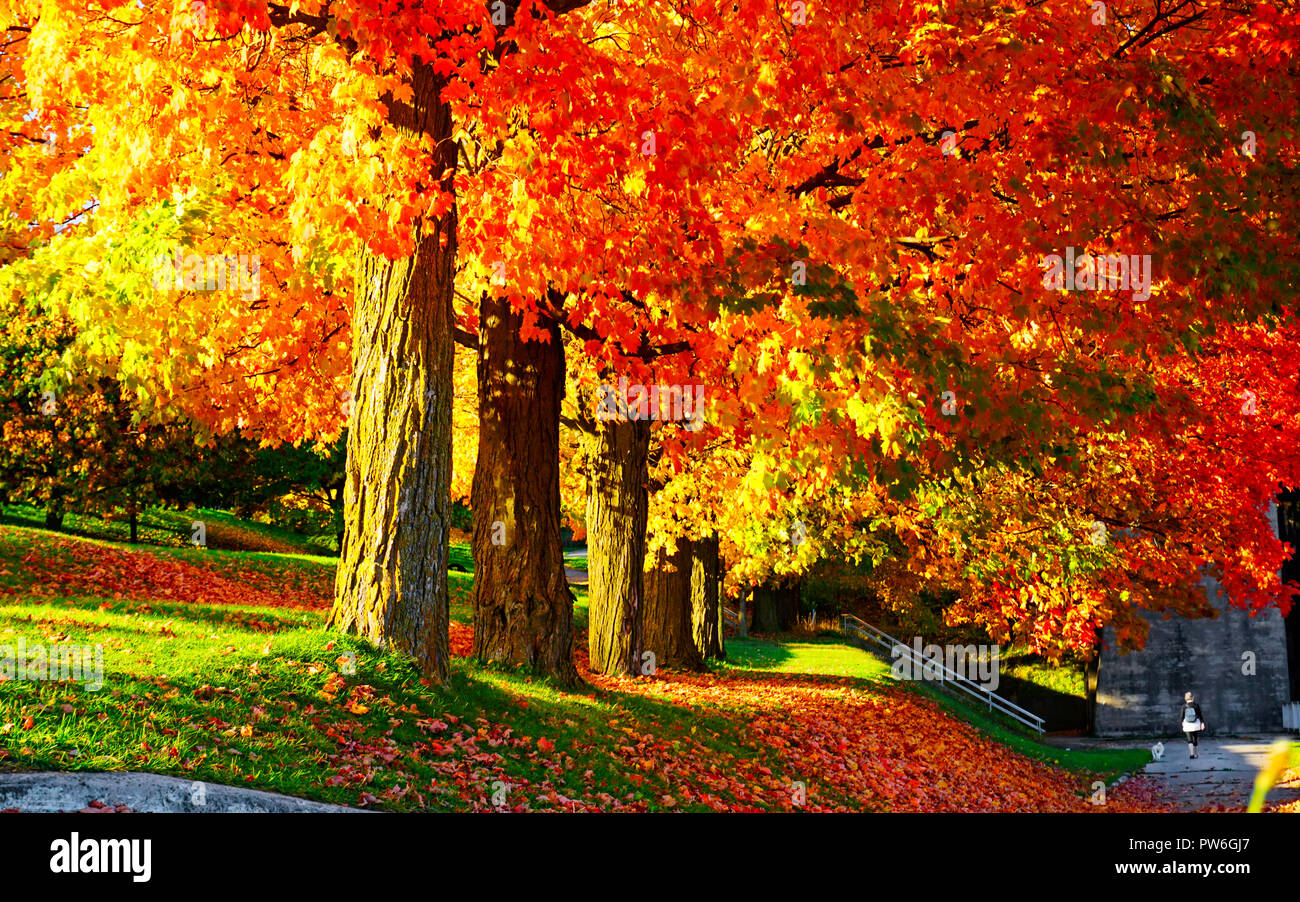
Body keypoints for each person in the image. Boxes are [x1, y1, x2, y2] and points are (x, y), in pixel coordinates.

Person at [1181, 691, 1206, 759]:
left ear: (1185, 698)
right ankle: (1195, 754)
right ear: (1192, 697)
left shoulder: (1184, 706)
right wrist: (1202, 723)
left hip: (1187, 724)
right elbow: (1200, 715)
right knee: (1195, 739)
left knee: (1189, 740)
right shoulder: (1196, 705)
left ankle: (1191, 754)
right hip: (1195, 724)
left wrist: (1182, 723)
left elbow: (1181, 716)